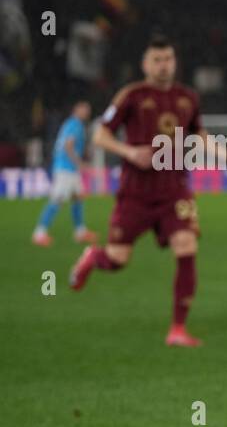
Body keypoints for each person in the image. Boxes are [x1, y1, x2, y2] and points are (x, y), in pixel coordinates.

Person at [70, 35, 205, 347]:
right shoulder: (130, 95)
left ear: (175, 62)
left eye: (168, 59)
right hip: (136, 193)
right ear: (145, 64)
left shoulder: (188, 97)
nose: (163, 65)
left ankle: (177, 330)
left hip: (176, 190)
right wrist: (129, 153)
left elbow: (200, 134)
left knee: (186, 247)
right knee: (117, 260)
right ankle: (93, 256)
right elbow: (100, 136)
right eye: (157, 60)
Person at [32, 100, 97, 247]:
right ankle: (39, 233)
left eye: (88, 110)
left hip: (69, 169)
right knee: (57, 200)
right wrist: (79, 163)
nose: (87, 112)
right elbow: (68, 145)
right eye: (84, 109)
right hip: (65, 168)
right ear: (76, 109)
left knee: (78, 197)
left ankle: (80, 232)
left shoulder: (71, 123)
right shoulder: (75, 124)